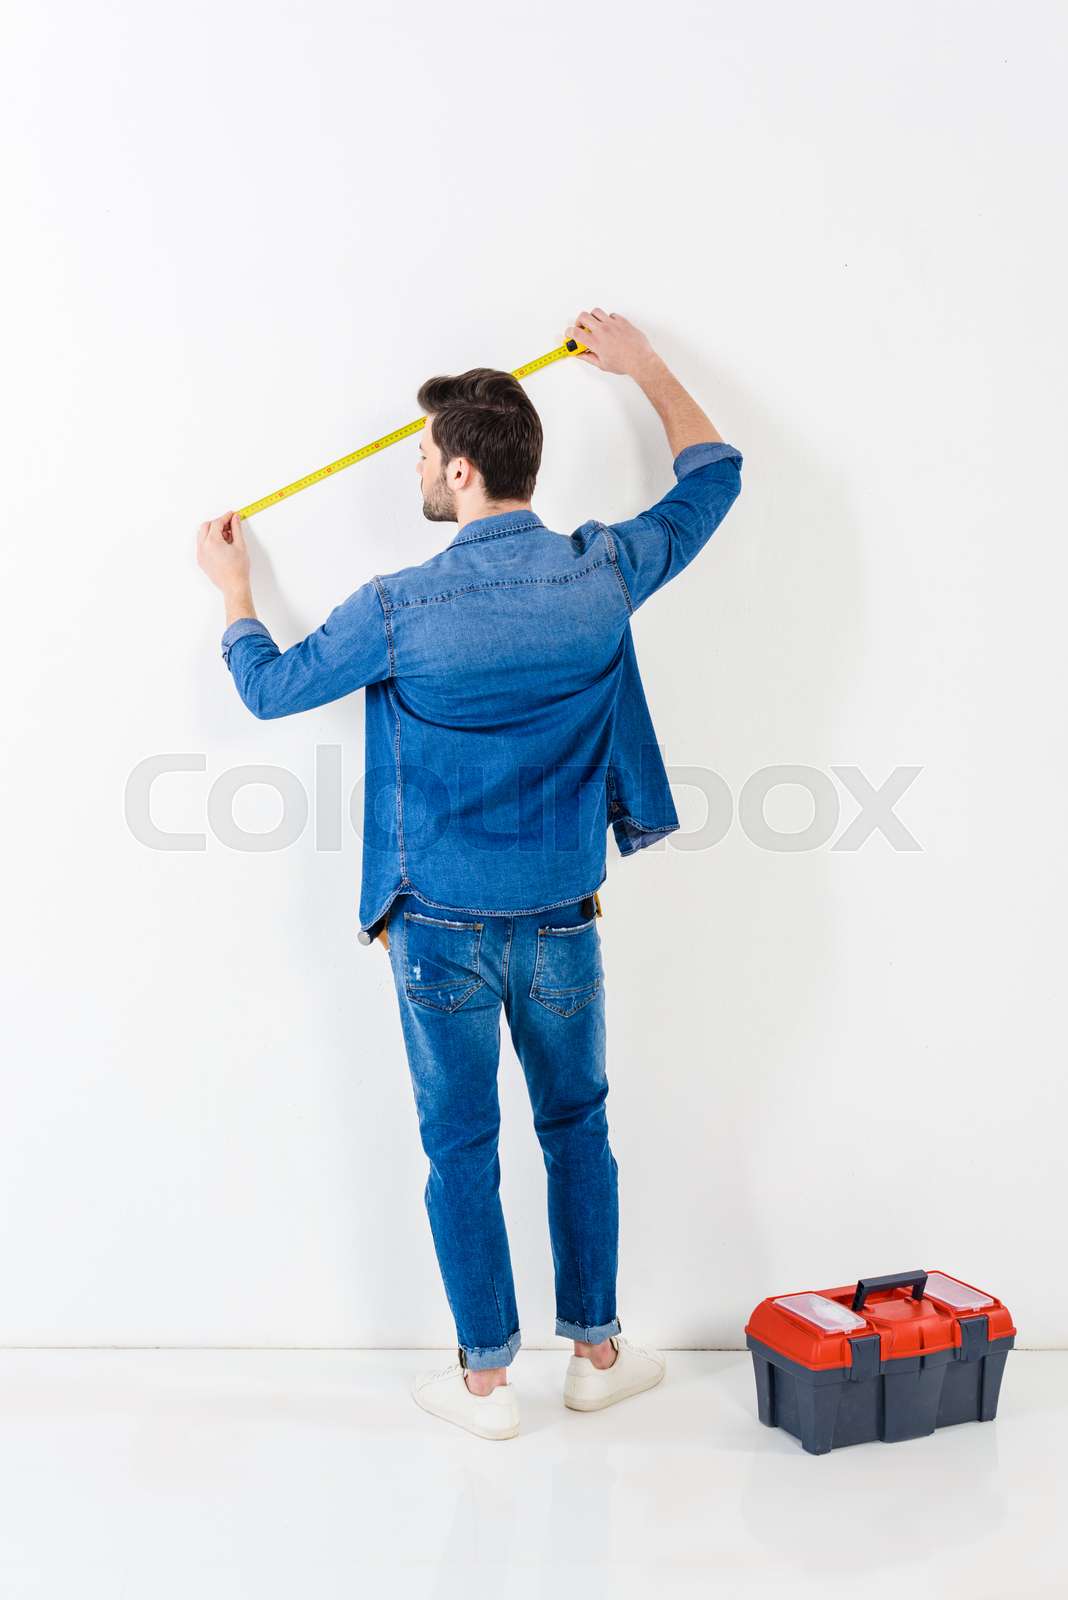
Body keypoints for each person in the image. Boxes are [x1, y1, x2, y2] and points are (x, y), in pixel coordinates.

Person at [197, 308, 744, 1441]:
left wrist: (233, 590)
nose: (416, 476)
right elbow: (715, 477)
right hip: (561, 922)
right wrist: (644, 364)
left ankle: (487, 1386)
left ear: (460, 469)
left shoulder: (399, 608)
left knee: (461, 1148)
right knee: (577, 1128)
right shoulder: (603, 573)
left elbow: (268, 688)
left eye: (422, 459)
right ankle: (596, 1355)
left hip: (437, 930)